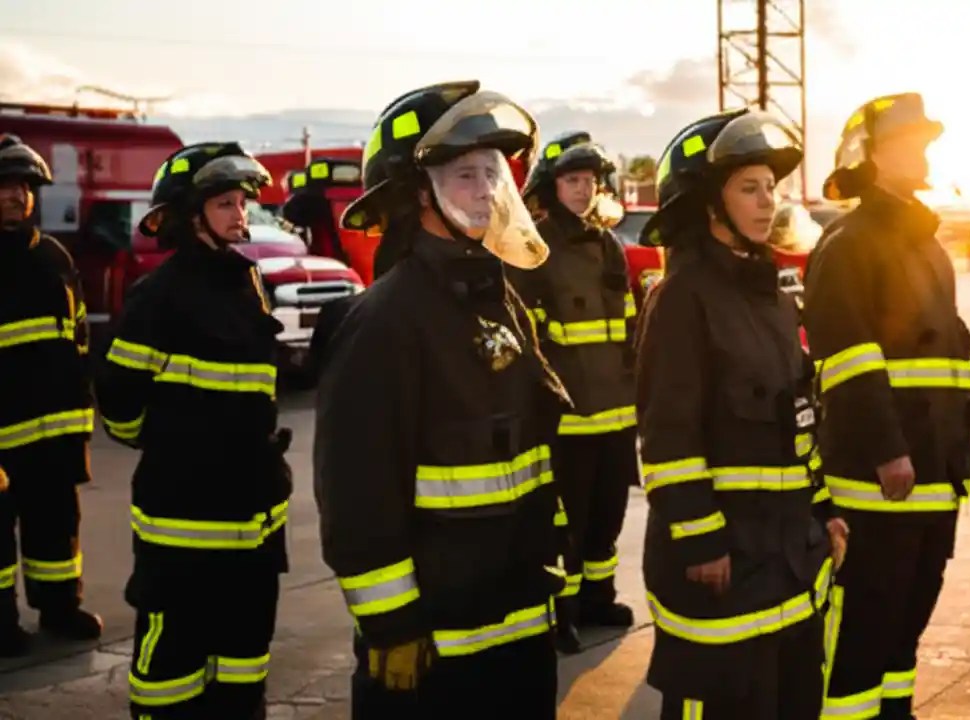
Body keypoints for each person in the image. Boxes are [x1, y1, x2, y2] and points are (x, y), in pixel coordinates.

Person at [315, 80, 568, 719]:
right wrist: (390, 624)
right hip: (435, 649)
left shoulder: (499, 298)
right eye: (464, 175)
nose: (487, 191)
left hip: (518, 629)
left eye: (493, 172)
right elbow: (356, 490)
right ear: (415, 193)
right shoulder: (386, 318)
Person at [635, 107, 840, 719]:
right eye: (747, 188)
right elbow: (668, 439)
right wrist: (702, 543)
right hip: (721, 572)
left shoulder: (775, 299)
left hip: (788, 563)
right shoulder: (681, 301)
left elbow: (803, 421)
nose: (765, 201)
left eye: (769, 188)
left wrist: (825, 515)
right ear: (707, 203)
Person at [98, 142, 292, 719]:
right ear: (188, 215)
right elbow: (118, 401)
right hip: (182, 520)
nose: (240, 215)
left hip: (253, 517)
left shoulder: (246, 281)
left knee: (244, 657)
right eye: (225, 204)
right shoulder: (159, 296)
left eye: (242, 203)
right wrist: (176, 449)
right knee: (171, 664)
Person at [805, 92, 970, 719]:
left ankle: (893, 713)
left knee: (909, 616)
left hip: (936, 467)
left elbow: (955, 349)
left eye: (925, 141)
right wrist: (887, 450)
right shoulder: (847, 244)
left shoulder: (926, 245)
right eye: (908, 141)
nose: (922, 150)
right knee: (865, 618)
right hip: (880, 478)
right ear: (869, 157)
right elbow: (847, 361)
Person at [510, 130, 636, 654]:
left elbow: (627, 324)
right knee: (566, 524)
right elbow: (526, 338)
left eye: (589, 181)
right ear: (551, 185)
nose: (584, 190)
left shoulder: (608, 243)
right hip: (568, 420)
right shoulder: (533, 247)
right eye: (573, 180)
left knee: (607, 518)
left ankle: (597, 599)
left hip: (615, 413)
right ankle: (561, 613)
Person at [0, 135, 102, 657]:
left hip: (56, 430)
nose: (17, 196)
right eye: (5, 187)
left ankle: (59, 607)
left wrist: (82, 418)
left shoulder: (55, 258)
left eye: (24, 187)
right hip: (1, 438)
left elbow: (78, 339)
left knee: (57, 527)